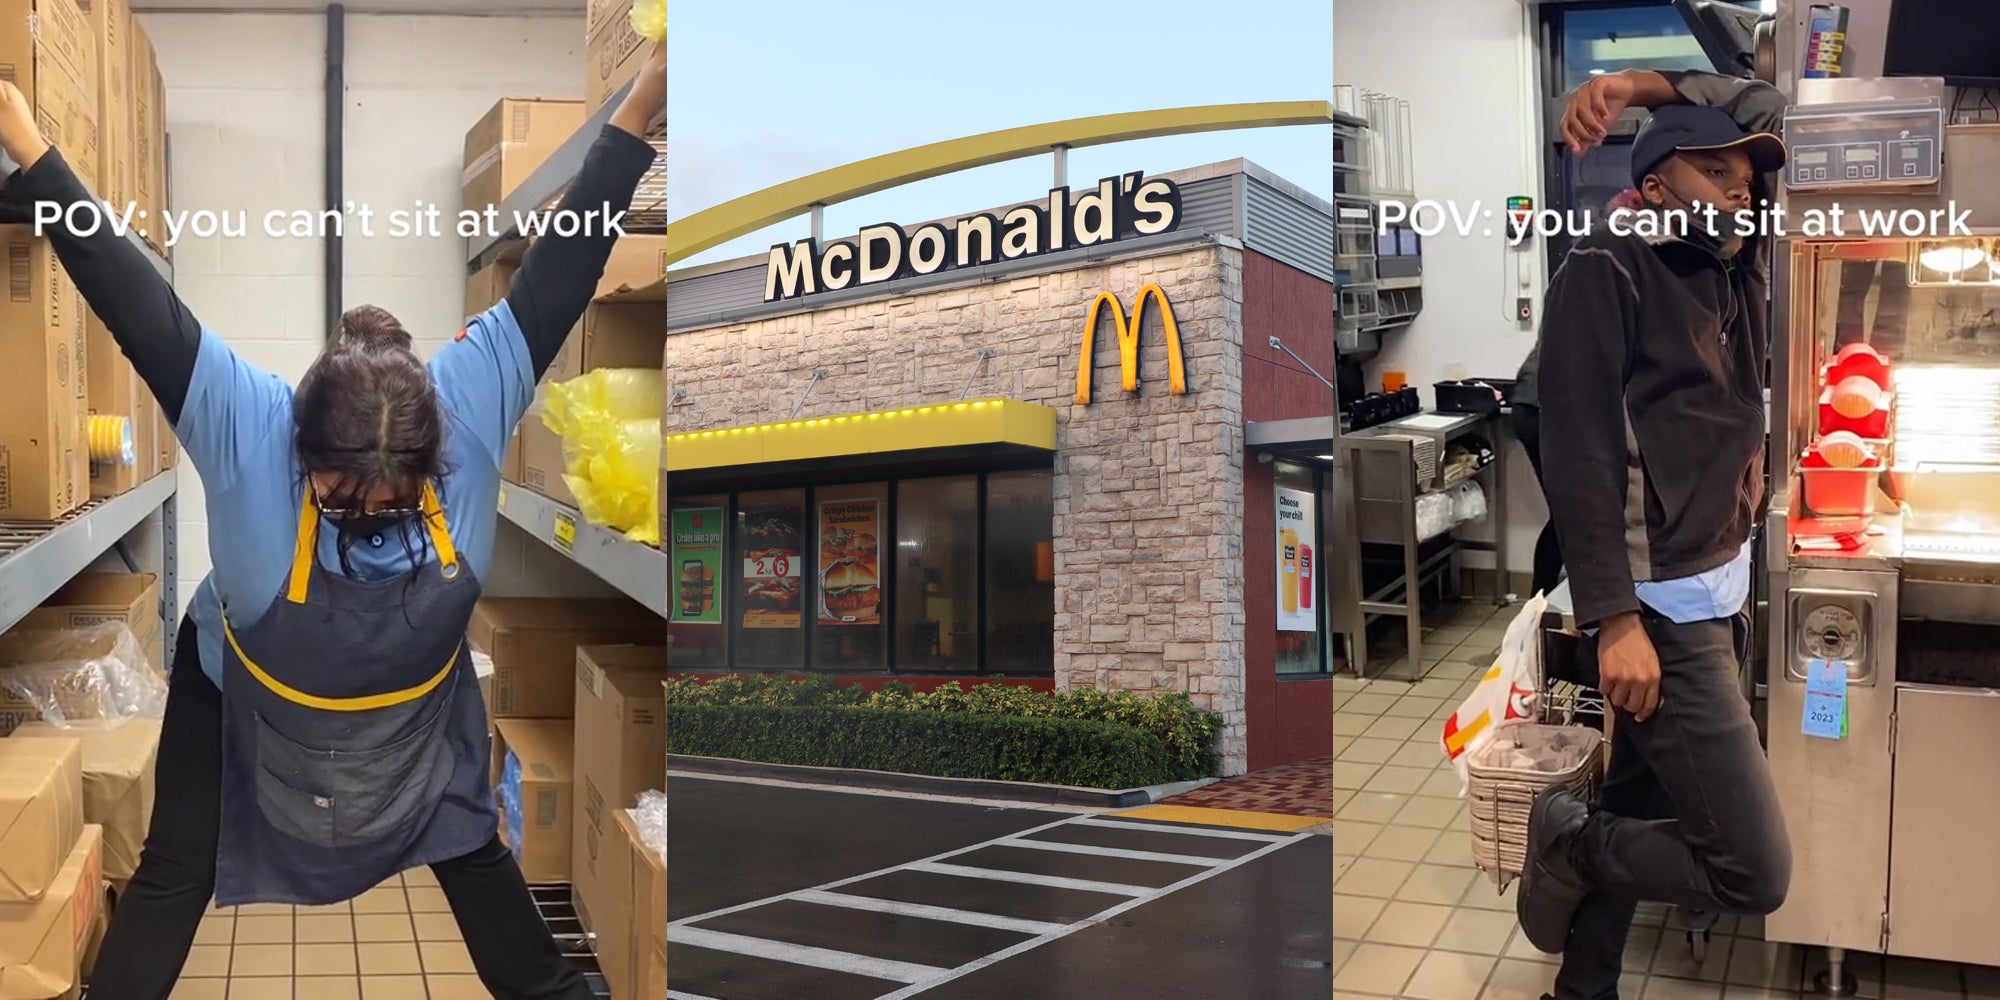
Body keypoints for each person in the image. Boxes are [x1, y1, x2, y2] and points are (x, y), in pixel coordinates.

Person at [0, 41, 664, 1000]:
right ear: (299, 449)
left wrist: (641, 106)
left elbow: (563, 268)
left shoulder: (472, 401)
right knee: (175, 872)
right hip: (238, 691)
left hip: (417, 706)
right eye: (344, 503)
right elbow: (124, 289)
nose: (372, 528)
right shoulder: (246, 421)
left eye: (399, 504)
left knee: (473, 847)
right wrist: (24, 135)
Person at [1515, 67, 1795, 1000]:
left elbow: (1766, 107)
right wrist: (1614, 621)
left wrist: (1635, 82)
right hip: (1660, 606)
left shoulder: (1731, 258)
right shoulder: (1607, 263)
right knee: (1752, 869)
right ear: (1660, 177)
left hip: (1716, 580)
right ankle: (1570, 839)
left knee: (1641, 790)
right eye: (1719, 174)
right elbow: (1582, 450)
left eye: (1747, 182)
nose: (1741, 192)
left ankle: (1580, 987)